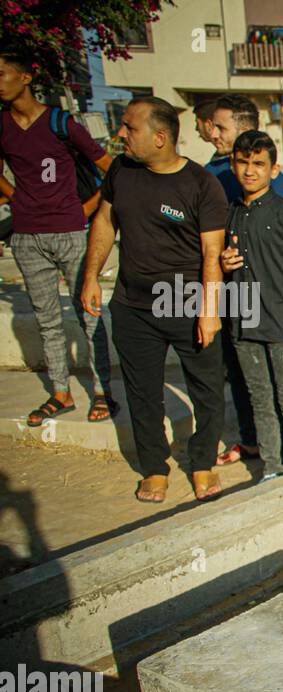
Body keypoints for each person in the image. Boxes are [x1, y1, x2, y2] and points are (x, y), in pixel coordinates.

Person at [80, 97, 229, 503]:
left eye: (130, 128)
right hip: (131, 305)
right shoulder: (122, 173)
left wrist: (209, 311)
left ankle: (202, 462)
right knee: (142, 391)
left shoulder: (201, 184)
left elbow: (212, 253)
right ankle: (154, 468)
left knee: (206, 388)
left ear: (160, 137)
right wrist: (91, 276)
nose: (120, 135)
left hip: (186, 302)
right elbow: (106, 221)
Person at [0, 49, 117, 426]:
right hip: (27, 235)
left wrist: (87, 209)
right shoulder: (2, 125)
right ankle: (61, 392)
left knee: (89, 313)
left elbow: (108, 168)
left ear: (25, 77)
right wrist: (15, 197)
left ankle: (103, 392)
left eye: (2, 73)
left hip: (71, 233)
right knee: (46, 318)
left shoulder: (60, 122)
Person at [219, 130, 283, 481]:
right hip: (244, 324)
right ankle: (272, 470)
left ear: (274, 170)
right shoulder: (231, 214)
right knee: (261, 401)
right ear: (232, 164)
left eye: (259, 163)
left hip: (282, 325)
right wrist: (223, 264)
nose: (250, 170)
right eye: (243, 162)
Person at [207, 93, 283, 467]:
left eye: (220, 126)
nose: (211, 132)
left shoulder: (270, 180)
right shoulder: (215, 171)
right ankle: (252, 439)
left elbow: (276, 242)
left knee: (275, 377)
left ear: (245, 128)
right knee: (239, 370)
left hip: (265, 294)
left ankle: (281, 447)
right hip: (229, 287)